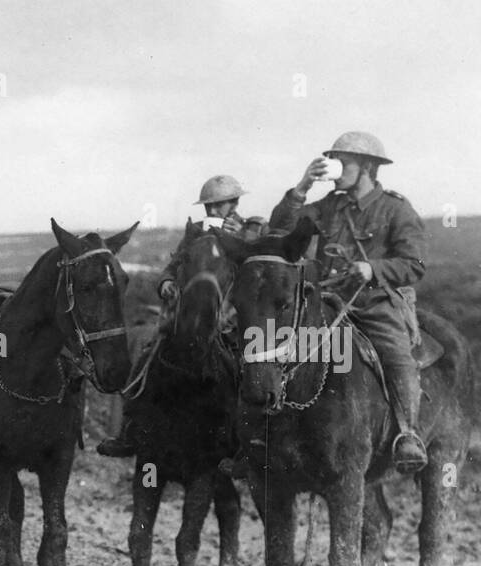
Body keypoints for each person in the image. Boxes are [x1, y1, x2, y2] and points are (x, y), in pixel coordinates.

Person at [269, 131, 428, 473]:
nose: (336, 169)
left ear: (368, 167)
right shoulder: (327, 206)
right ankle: (265, 432)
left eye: (345, 162)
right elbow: (279, 229)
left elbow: (413, 264)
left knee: (395, 353)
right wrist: (300, 188)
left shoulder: (395, 209)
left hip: (373, 304)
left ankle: (407, 433)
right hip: (326, 299)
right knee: (270, 341)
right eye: (335, 161)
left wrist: (372, 268)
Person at [97, 175, 248, 458]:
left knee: (249, 370)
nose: (213, 212)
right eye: (210, 207)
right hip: (191, 317)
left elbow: (259, 264)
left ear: (235, 204)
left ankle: (246, 444)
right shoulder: (194, 233)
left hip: (231, 315)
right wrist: (166, 283)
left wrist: (242, 238)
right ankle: (131, 429)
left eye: (220, 206)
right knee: (150, 353)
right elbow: (173, 266)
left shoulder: (250, 229)